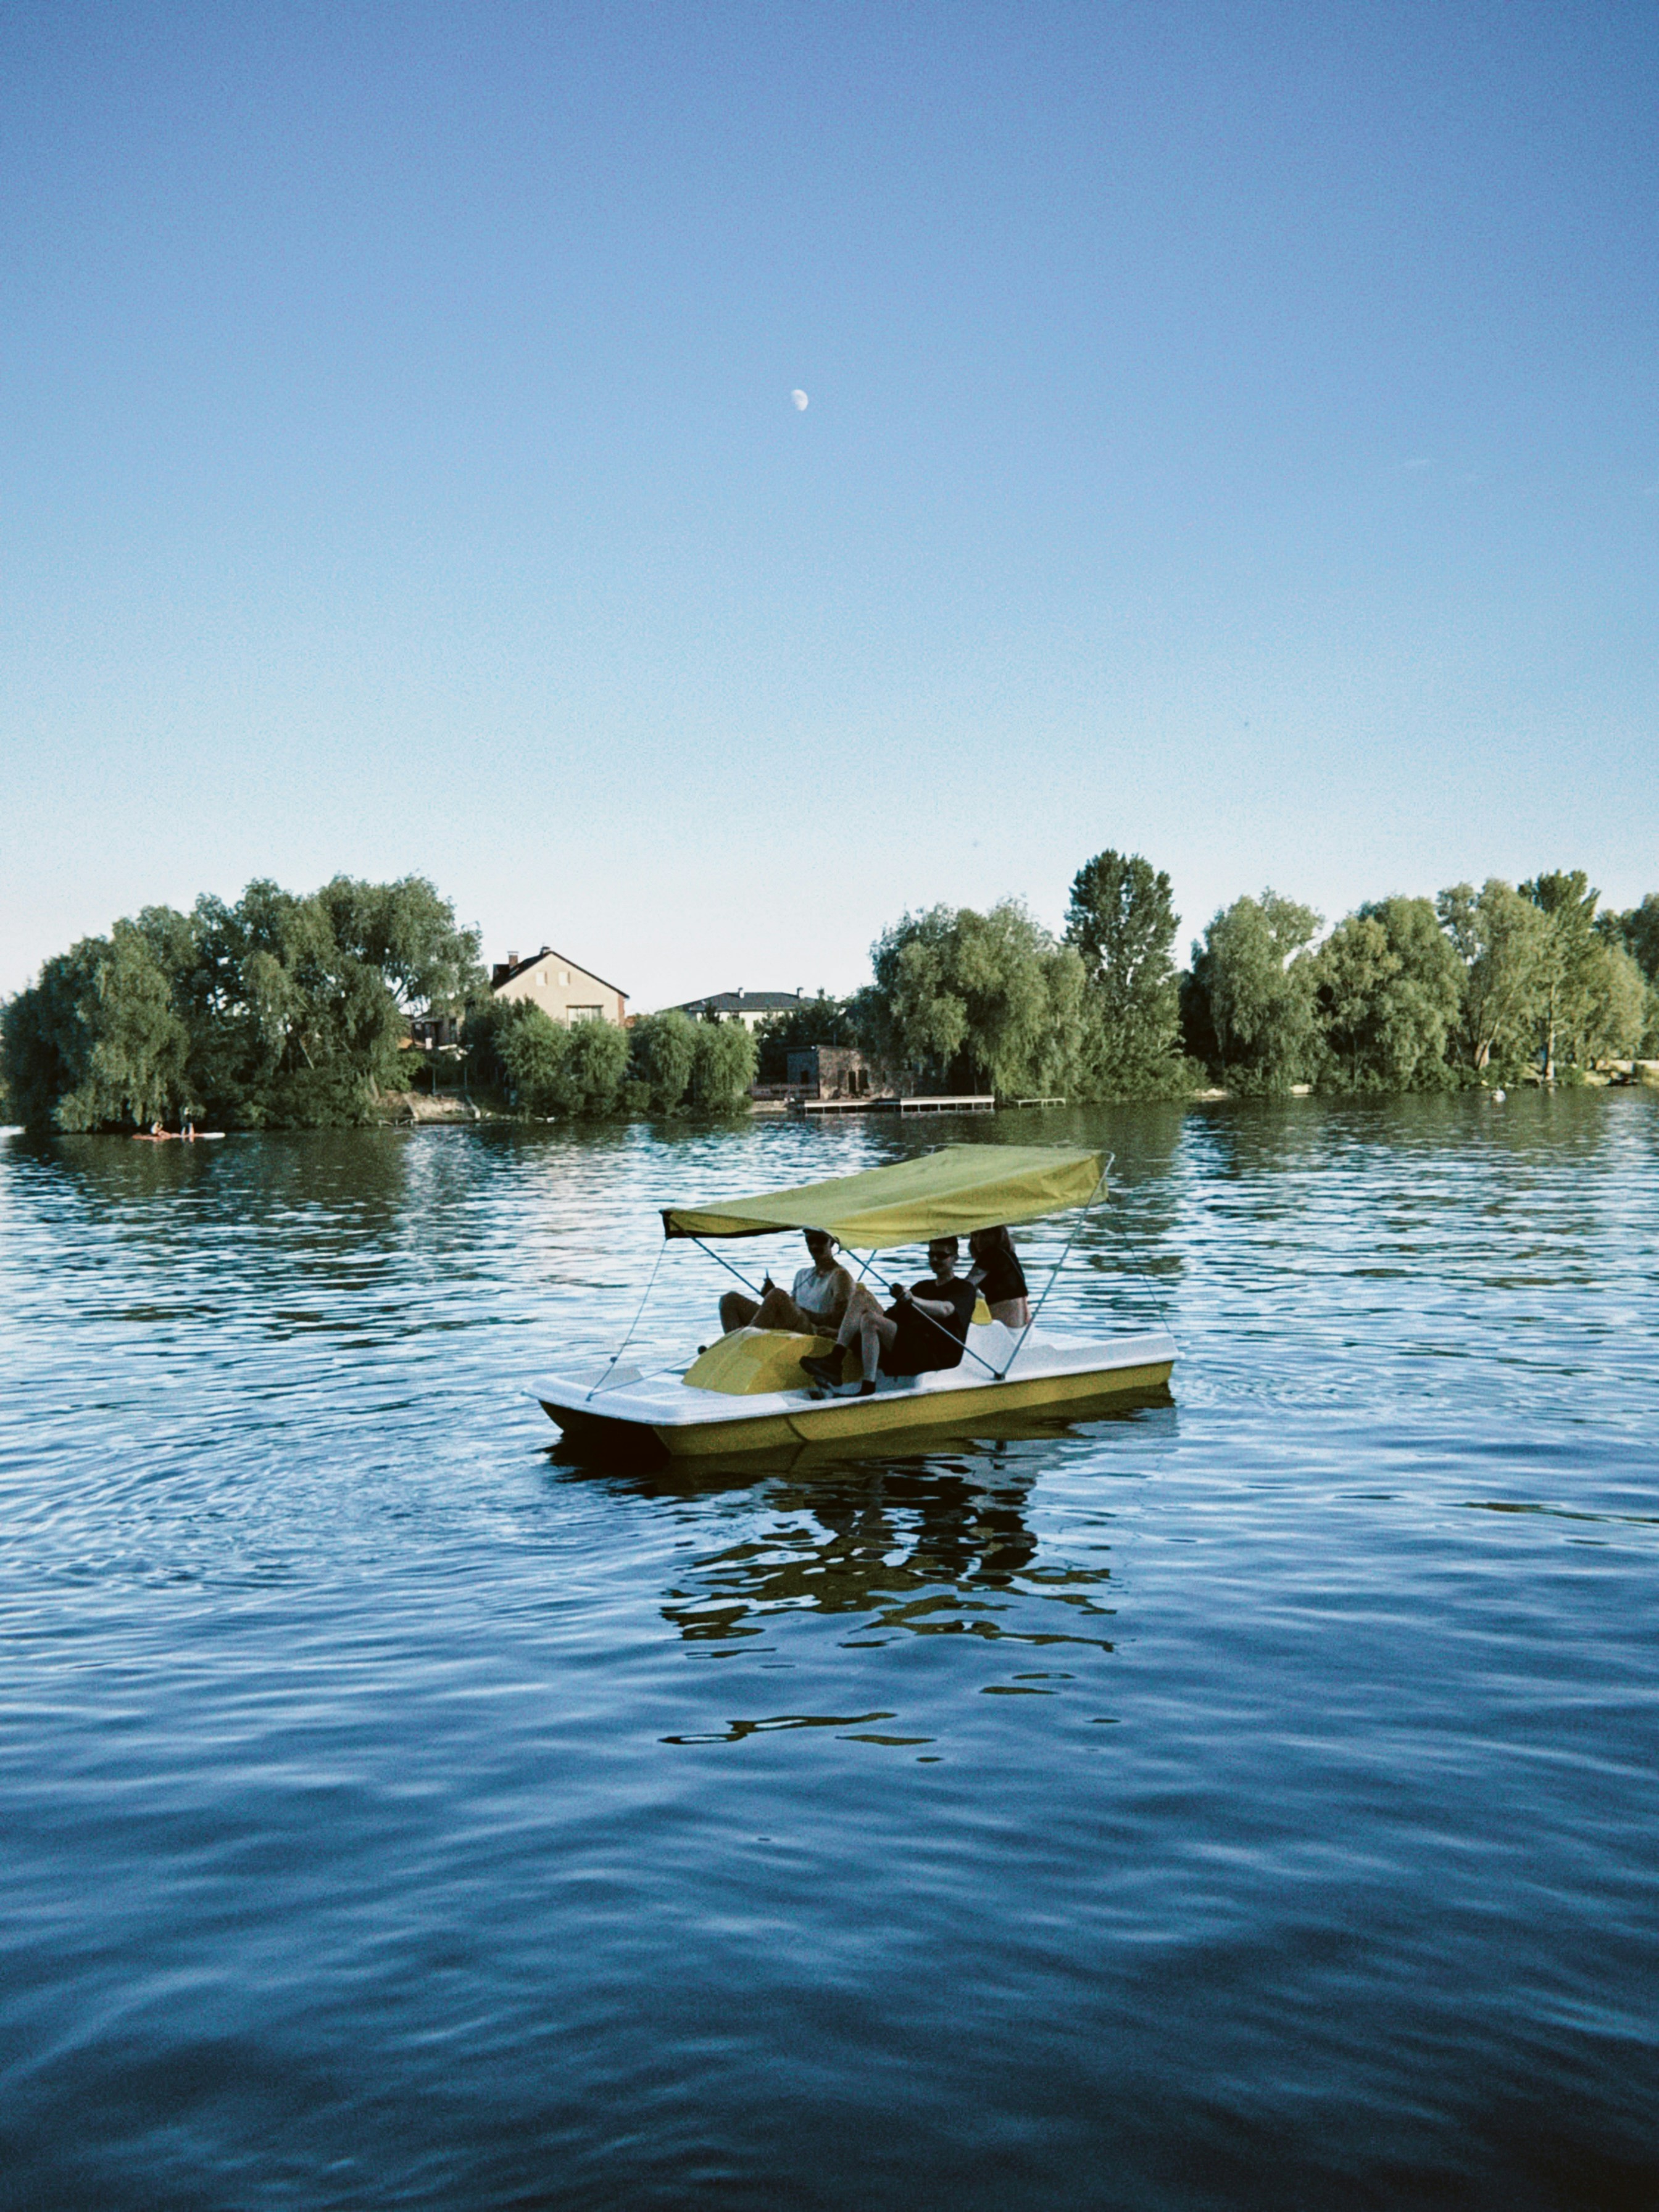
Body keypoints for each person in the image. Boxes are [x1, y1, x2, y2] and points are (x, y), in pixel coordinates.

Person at [802, 1236, 977, 1397]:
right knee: (861, 1296)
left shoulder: (964, 1289)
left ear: (955, 1258)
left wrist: (913, 1300)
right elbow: (892, 1317)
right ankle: (835, 1359)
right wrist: (837, 1332)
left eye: (942, 1255)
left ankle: (868, 1387)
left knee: (871, 1320)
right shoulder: (923, 1286)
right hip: (909, 1346)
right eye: (931, 1254)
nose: (935, 1260)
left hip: (934, 1355)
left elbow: (945, 1309)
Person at [719, 1229, 853, 1341]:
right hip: (794, 1324)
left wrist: (793, 1307)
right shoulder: (802, 1274)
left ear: (832, 1242)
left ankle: (745, 1342)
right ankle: (732, 1342)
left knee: (777, 1294)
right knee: (729, 1300)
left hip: (814, 1331)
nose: (814, 1246)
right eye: (810, 1241)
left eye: (820, 1241)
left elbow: (838, 1320)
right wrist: (769, 1298)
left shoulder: (840, 1276)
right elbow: (791, 1310)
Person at [968, 1225, 1030, 1329]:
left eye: (985, 1235)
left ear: (998, 1236)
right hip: (1023, 1327)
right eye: (975, 1235)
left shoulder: (991, 1254)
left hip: (1006, 1328)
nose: (978, 1240)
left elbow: (967, 1285)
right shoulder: (1009, 1255)